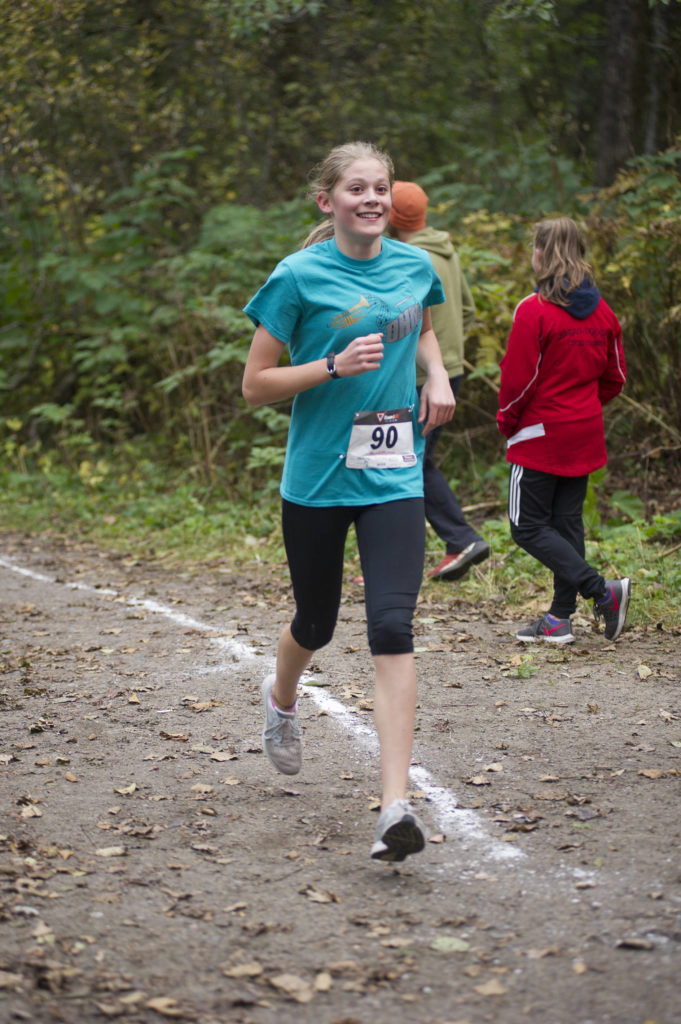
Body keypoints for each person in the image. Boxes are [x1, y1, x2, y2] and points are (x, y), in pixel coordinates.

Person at [242, 141, 455, 862]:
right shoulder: (297, 276)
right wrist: (330, 366)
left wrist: (436, 376)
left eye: (380, 188)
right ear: (327, 200)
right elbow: (255, 384)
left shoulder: (414, 267)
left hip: (394, 474)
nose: (371, 199)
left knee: (392, 626)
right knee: (316, 622)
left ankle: (395, 806)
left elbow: (423, 329)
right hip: (317, 480)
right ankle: (281, 699)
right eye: (357, 188)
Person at [497, 217, 630, 644]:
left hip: (539, 435)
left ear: (540, 253)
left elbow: (517, 381)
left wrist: (507, 422)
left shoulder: (533, 309)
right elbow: (616, 378)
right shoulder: (603, 311)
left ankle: (602, 591)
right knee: (566, 523)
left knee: (526, 527)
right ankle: (559, 618)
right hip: (583, 432)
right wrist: (582, 408)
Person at [389, 181, 490, 581]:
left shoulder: (404, 257)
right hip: (452, 372)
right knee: (413, 460)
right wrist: (448, 352)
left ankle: (457, 541)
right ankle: (428, 549)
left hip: (420, 377)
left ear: (392, 216)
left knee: (407, 462)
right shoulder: (447, 250)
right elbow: (467, 311)